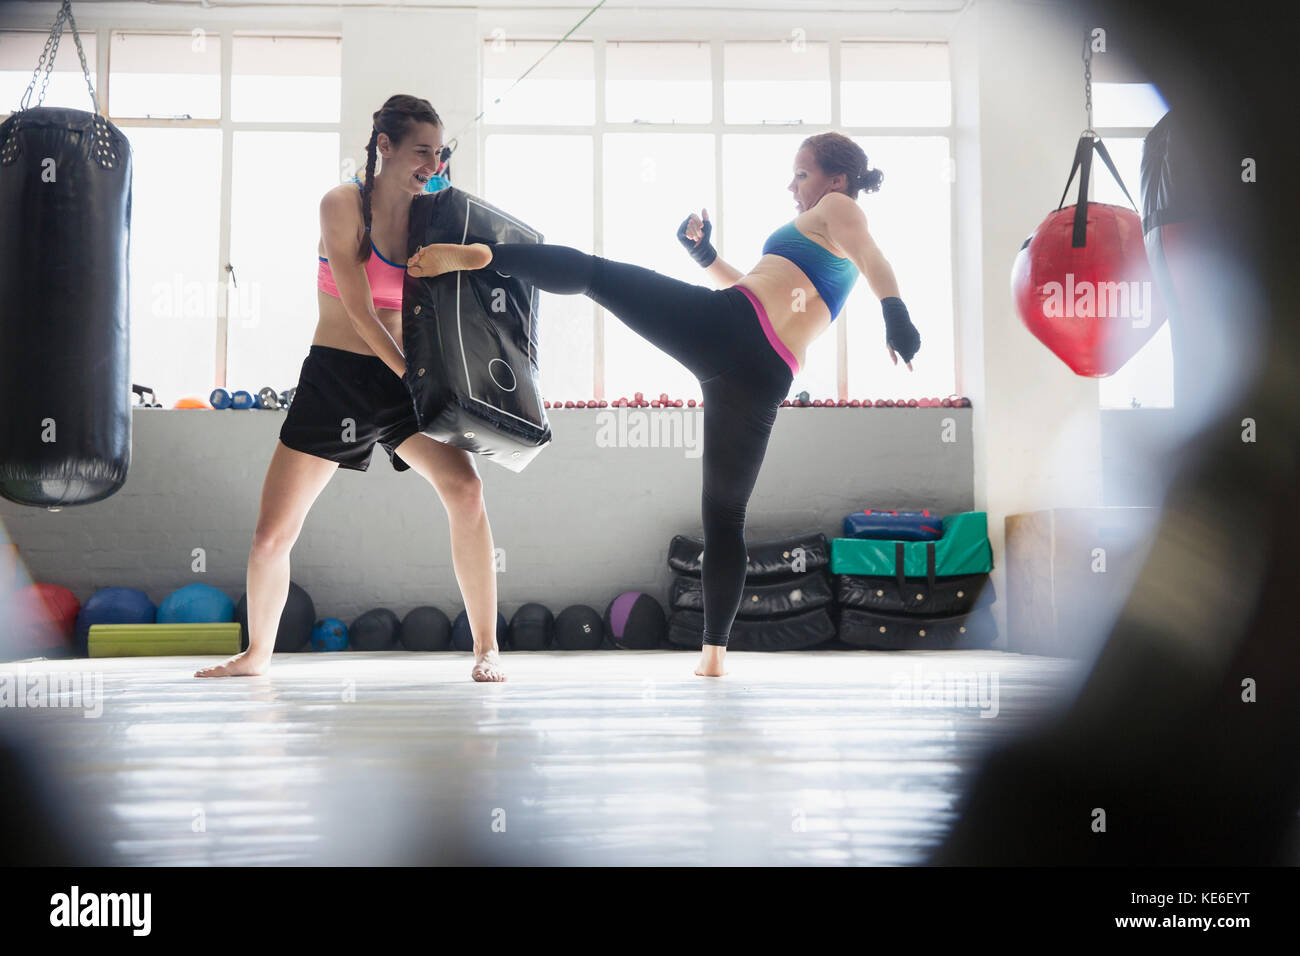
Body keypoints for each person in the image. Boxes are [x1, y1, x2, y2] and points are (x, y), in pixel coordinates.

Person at [408, 131, 920, 676]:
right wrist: (704, 256)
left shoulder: (838, 208)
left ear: (836, 180)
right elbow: (756, 283)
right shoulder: (826, 244)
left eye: (801, 174)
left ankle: (481, 257)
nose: (792, 185)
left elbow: (875, 258)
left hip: (729, 328)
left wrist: (896, 313)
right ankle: (714, 658)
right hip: (765, 374)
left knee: (596, 274)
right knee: (725, 515)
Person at [198, 94, 506, 682]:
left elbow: (491, 255)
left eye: (439, 155)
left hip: (401, 378)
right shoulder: (342, 205)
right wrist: (416, 380)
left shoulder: (431, 212)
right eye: (422, 152)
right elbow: (361, 312)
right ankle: (256, 654)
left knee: (466, 492)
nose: (432, 166)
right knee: (271, 536)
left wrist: (456, 253)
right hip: (339, 374)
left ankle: (487, 647)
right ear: (384, 147)